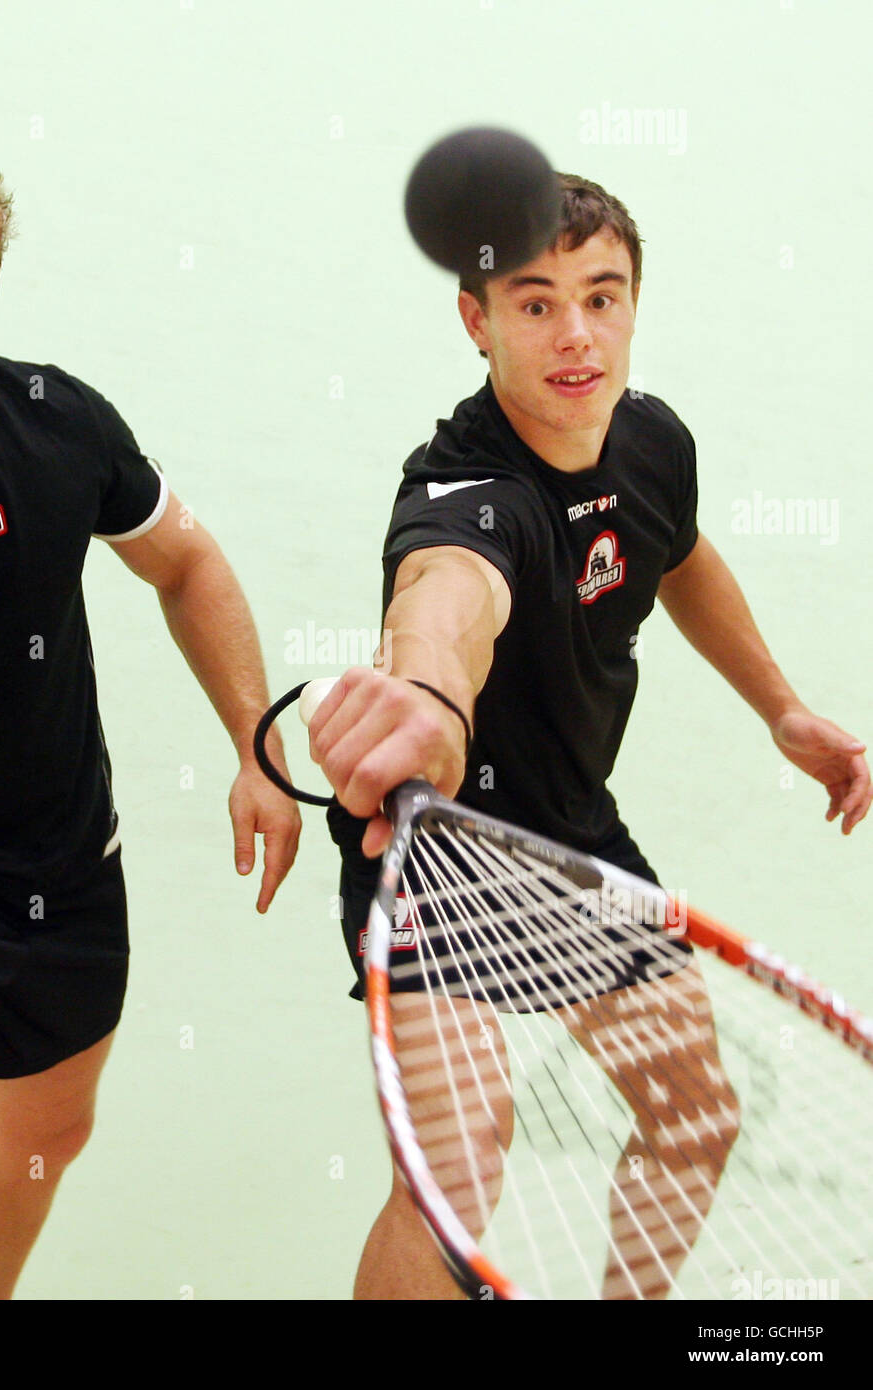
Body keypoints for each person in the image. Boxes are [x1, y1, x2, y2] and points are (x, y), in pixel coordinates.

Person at [311, 173, 871, 1299]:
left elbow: (682, 555)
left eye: (601, 297)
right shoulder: (464, 497)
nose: (575, 335)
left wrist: (780, 708)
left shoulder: (649, 442)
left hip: (572, 840)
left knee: (695, 1110)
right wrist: (428, 701)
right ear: (475, 318)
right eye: (534, 302)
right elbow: (447, 600)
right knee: (455, 1164)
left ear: (631, 306)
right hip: (437, 851)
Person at [0, 122, 301, 1299]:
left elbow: (186, 563)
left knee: (41, 1141)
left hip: (70, 867)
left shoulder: (58, 420)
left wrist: (257, 745)